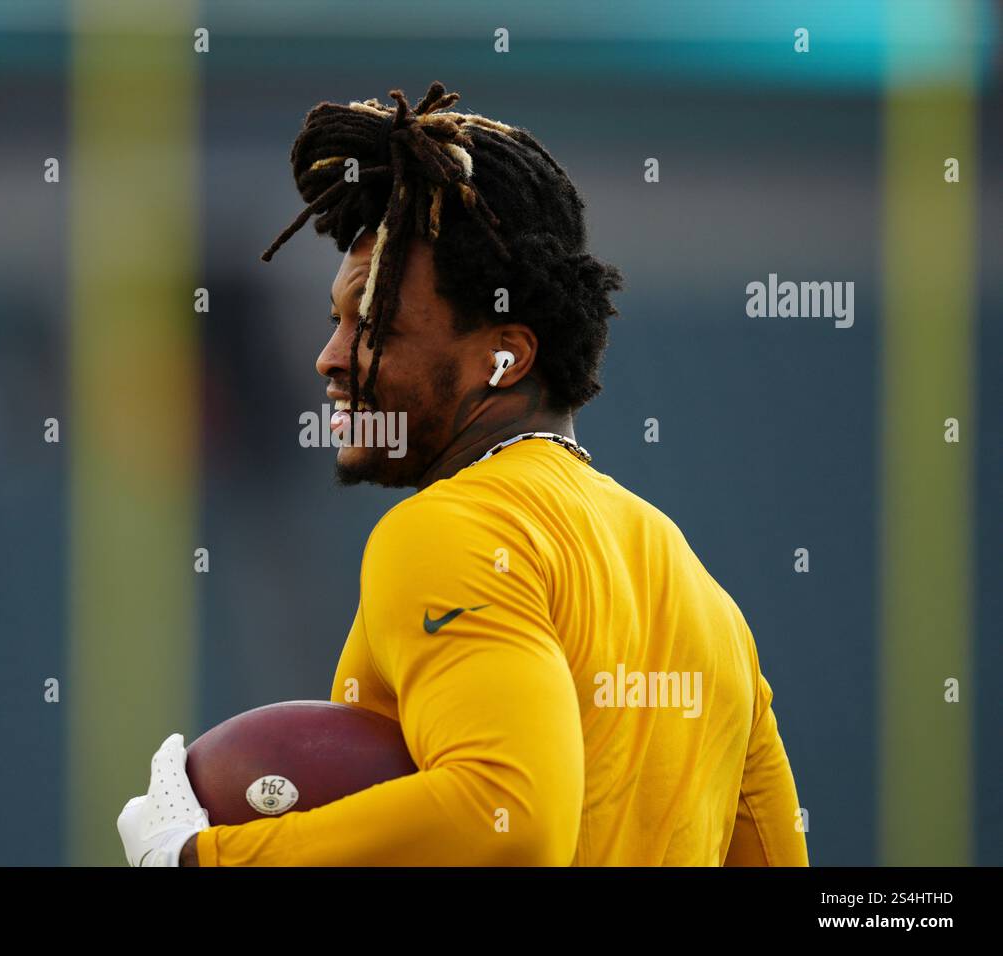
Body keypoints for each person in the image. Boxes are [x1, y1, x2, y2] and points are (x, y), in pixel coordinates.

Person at [118, 82, 807, 867]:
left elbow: (507, 810)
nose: (331, 358)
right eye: (336, 320)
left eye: (375, 326)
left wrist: (200, 859)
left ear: (503, 354)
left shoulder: (454, 528)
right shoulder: (701, 596)